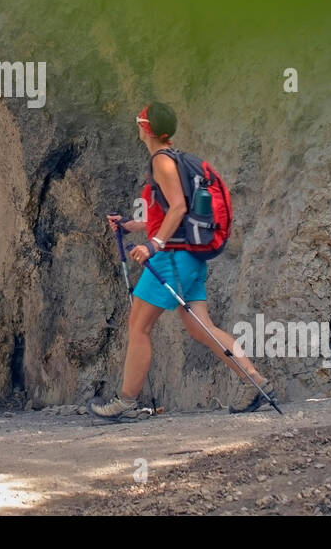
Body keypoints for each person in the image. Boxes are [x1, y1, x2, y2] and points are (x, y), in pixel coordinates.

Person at [89, 102, 277, 419]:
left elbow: (177, 208)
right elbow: (173, 210)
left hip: (171, 258)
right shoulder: (175, 159)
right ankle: (255, 381)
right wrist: (132, 226)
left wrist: (153, 245)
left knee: (138, 326)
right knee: (201, 328)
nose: (137, 125)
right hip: (189, 257)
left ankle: (126, 401)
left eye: (139, 120)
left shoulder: (162, 162)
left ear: (145, 127)